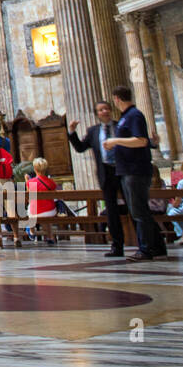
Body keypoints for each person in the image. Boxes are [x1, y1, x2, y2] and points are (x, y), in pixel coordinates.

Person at [103, 85, 167, 262]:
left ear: (116, 99)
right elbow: (144, 141)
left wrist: (115, 141)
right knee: (138, 210)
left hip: (135, 170)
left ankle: (146, 249)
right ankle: (158, 247)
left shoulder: (134, 115)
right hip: (128, 169)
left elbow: (140, 141)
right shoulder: (126, 117)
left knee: (139, 212)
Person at [69, 100, 126, 256]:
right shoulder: (93, 131)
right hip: (106, 173)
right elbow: (80, 148)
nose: (104, 111)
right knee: (111, 211)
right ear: (97, 114)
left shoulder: (120, 126)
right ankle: (117, 246)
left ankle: (143, 243)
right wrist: (72, 132)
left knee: (132, 208)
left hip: (123, 171)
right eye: (101, 109)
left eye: (107, 108)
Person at [25, 157, 59, 244]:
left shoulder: (31, 182)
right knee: (46, 214)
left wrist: (26, 181)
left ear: (35, 169)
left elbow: (30, 197)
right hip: (50, 211)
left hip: (35, 212)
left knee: (32, 209)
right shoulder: (51, 182)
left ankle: (32, 231)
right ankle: (50, 237)